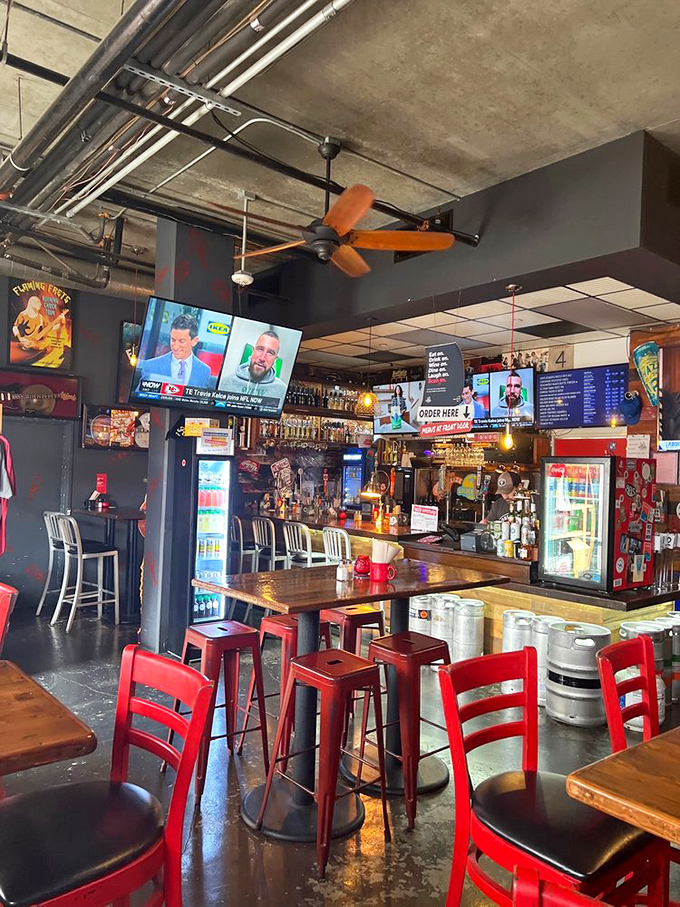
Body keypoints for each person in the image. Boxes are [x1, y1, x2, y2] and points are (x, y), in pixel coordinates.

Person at [137, 314, 213, 390]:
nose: (175, 347)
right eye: (173, 340)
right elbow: (139, 397)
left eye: (181, 341)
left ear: (194, 341)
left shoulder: (204, 371)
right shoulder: (151, 366)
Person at [220, 329, 287, 402]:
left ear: (275, 359)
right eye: (260, 349)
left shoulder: (282, 390)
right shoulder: (227, 382)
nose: (262, 358)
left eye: (270, 353)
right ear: (253, 351)